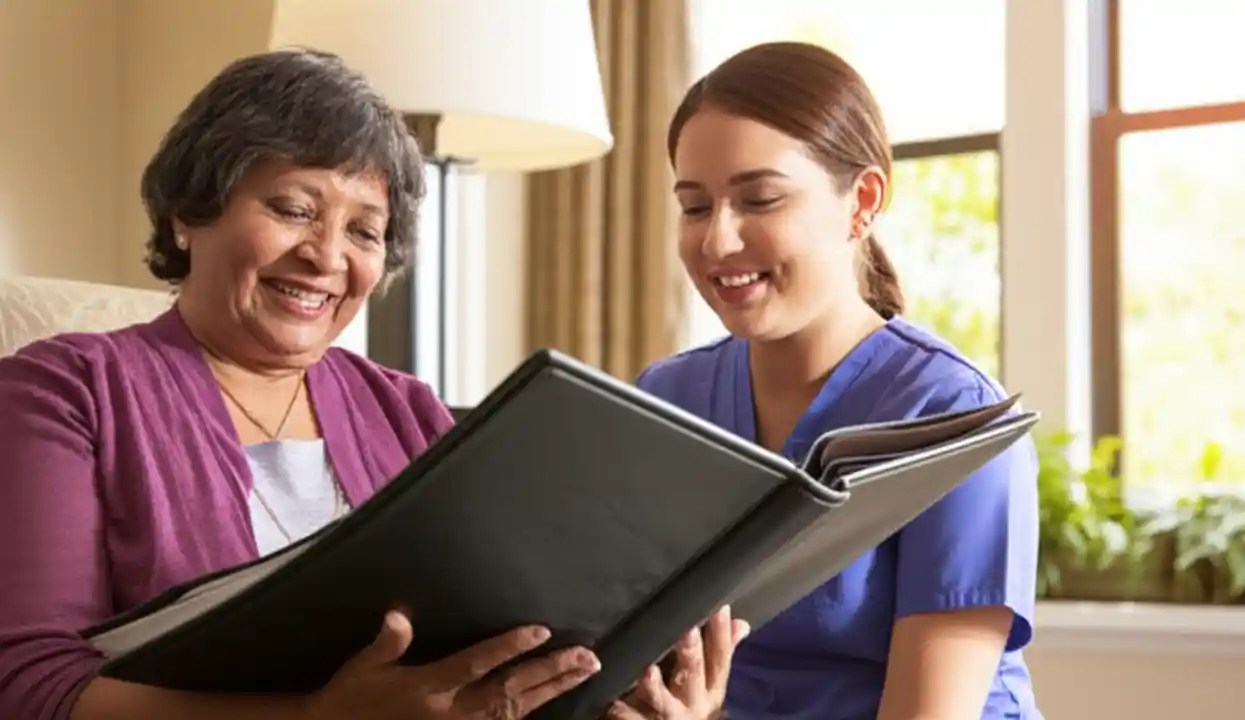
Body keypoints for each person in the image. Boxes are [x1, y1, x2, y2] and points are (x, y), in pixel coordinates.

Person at [0, 48, 742, 720]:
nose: (326, 257)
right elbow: (28, 687)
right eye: (293, 210)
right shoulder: (63, 392)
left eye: (363, 231)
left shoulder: (409, 412)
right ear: (190, 212)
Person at [635, 41, 1042, 720]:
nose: (716, 243)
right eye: (695, 207)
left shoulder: (957, 418)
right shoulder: (663, 401)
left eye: (759, 199)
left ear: (863, 200)